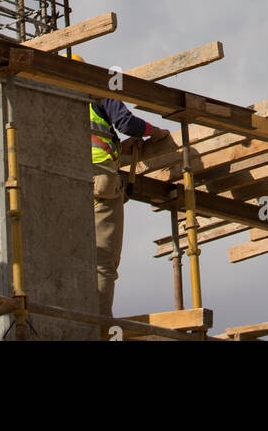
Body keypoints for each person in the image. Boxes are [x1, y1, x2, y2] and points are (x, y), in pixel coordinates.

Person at [71, 54, 174, 332]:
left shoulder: (49, 95)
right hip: (99, 184)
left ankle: (66, 318)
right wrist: (155, 131)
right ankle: (99, 328)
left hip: (62, 184)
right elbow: (125, 121)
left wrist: (119, 148)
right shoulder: (97, 87)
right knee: (102, 263)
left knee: (67, 255)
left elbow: (92, 135)